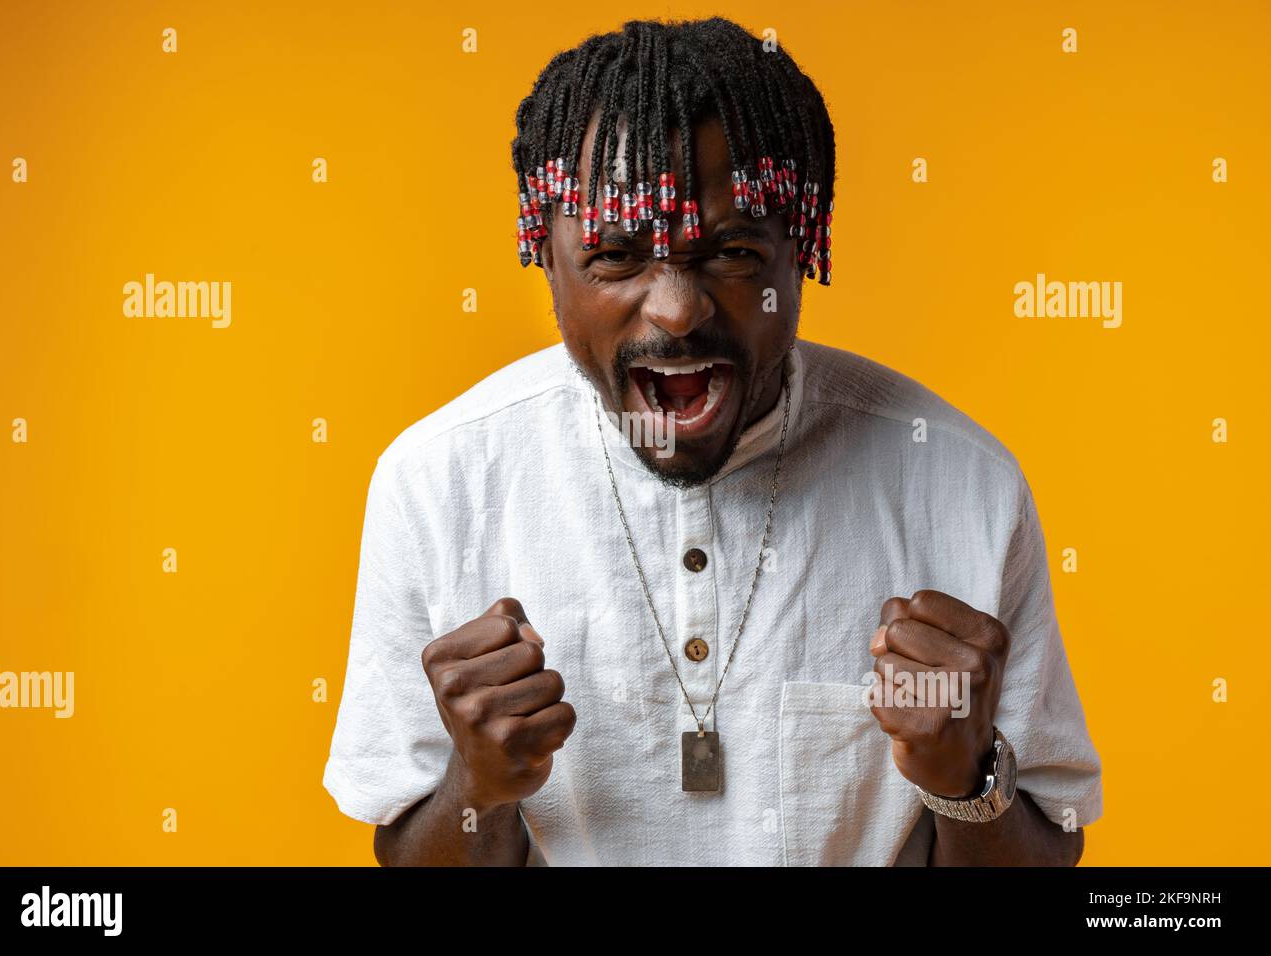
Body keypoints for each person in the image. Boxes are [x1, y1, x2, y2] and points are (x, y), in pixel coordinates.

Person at [322, 16, 1102, 866]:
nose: (677, 310)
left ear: (797, 250)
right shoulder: (437, 483)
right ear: (545, 255)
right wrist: (477, 789)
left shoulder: (964, 483)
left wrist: (964, 777)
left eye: (730, 252)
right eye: (616, 256)